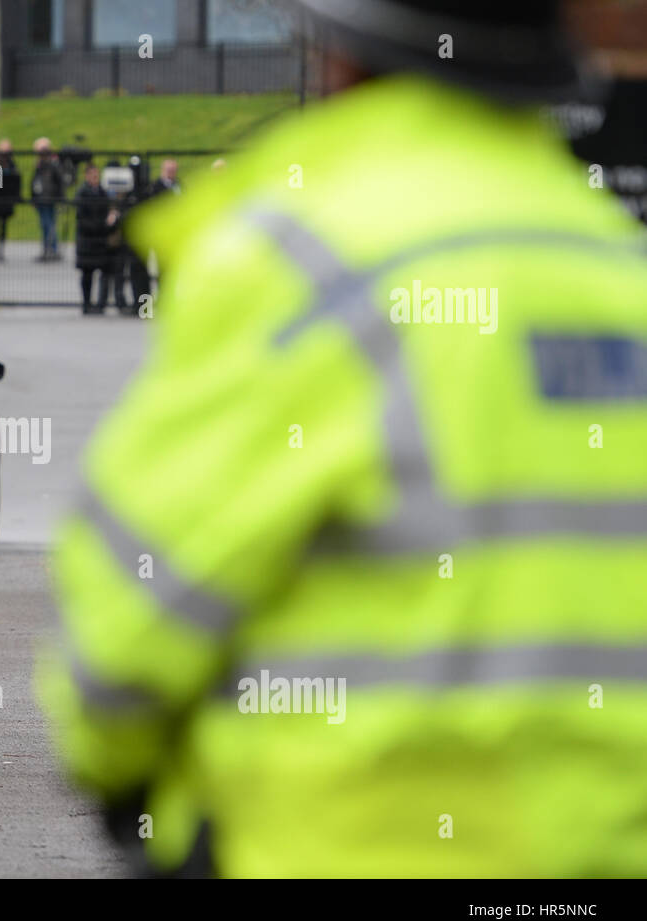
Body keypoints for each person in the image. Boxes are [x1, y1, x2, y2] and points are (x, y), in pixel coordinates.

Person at [38, 0, 647, 876]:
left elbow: (120, 640)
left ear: (340, 58)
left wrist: (127, 778)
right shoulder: (612, 261)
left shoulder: (303, 260)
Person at [74, 164, 115, 314]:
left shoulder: (103, 193)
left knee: (105, 272)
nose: (95, 178)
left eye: (97, 176)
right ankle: (86, 304)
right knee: (87, 274)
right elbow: (82, 219)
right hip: (87, 241)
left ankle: (100, 304)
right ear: (87, 176)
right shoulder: (82, 194)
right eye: (93, 175)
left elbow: (107, 212)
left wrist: (108, 223)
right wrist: (101, 225)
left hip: (100, 241)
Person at [30, 137, 66, 261]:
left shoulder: (53, 164)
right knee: (45, 225)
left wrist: (60, 198)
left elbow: (60, 182)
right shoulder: (39, 165)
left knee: (49, 224)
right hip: (41, 199)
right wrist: (33, 198)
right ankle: (46, 249)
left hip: (50, 199)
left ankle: (53, 249)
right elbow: (34, 182)